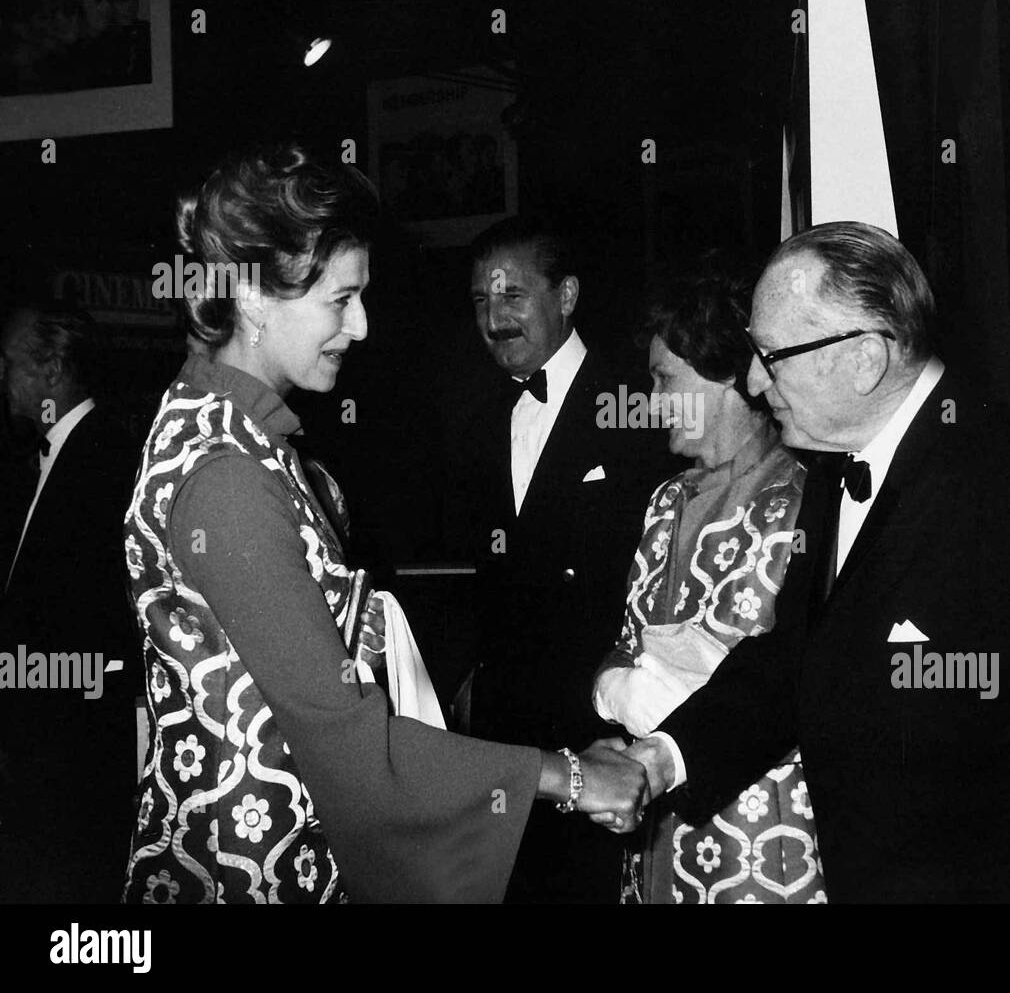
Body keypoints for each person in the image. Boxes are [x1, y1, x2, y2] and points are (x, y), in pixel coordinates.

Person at [122, 144, 646, 904]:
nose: (361, 326)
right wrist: (570, 776)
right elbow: (357, 754)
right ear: (255, 299)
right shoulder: (229, 476)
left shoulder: (224, 431)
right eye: (341, 300)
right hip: (254, 871)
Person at [611, 221, 1010, 903]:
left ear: (865, 358)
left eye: (771, 356)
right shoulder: (834, 472)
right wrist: (660, 758)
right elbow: (792, 659)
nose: (756, 383)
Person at [593, 251, 827, 904]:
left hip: (763, 821)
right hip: (659, 815)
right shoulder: (666, 501)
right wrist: (613, 687)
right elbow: (628, 638)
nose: (651, 401)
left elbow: (781, 677)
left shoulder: (801, 499)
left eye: (665, 380)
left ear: (723, 373)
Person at [458, 215, 677, 902]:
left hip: (603, 737)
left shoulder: (642, 402)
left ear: (568, 295)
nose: (494, 319)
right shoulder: (472, 413)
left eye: (512, 296)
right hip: (504, 741)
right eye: (481, 302)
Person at [0, 301, 140, 903]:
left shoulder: (107, 458)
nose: (2, 379)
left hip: (74, 749)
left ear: (53, 371)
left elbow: (102, 620)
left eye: (9, 365)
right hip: (45, 742)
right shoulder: (33, 460)